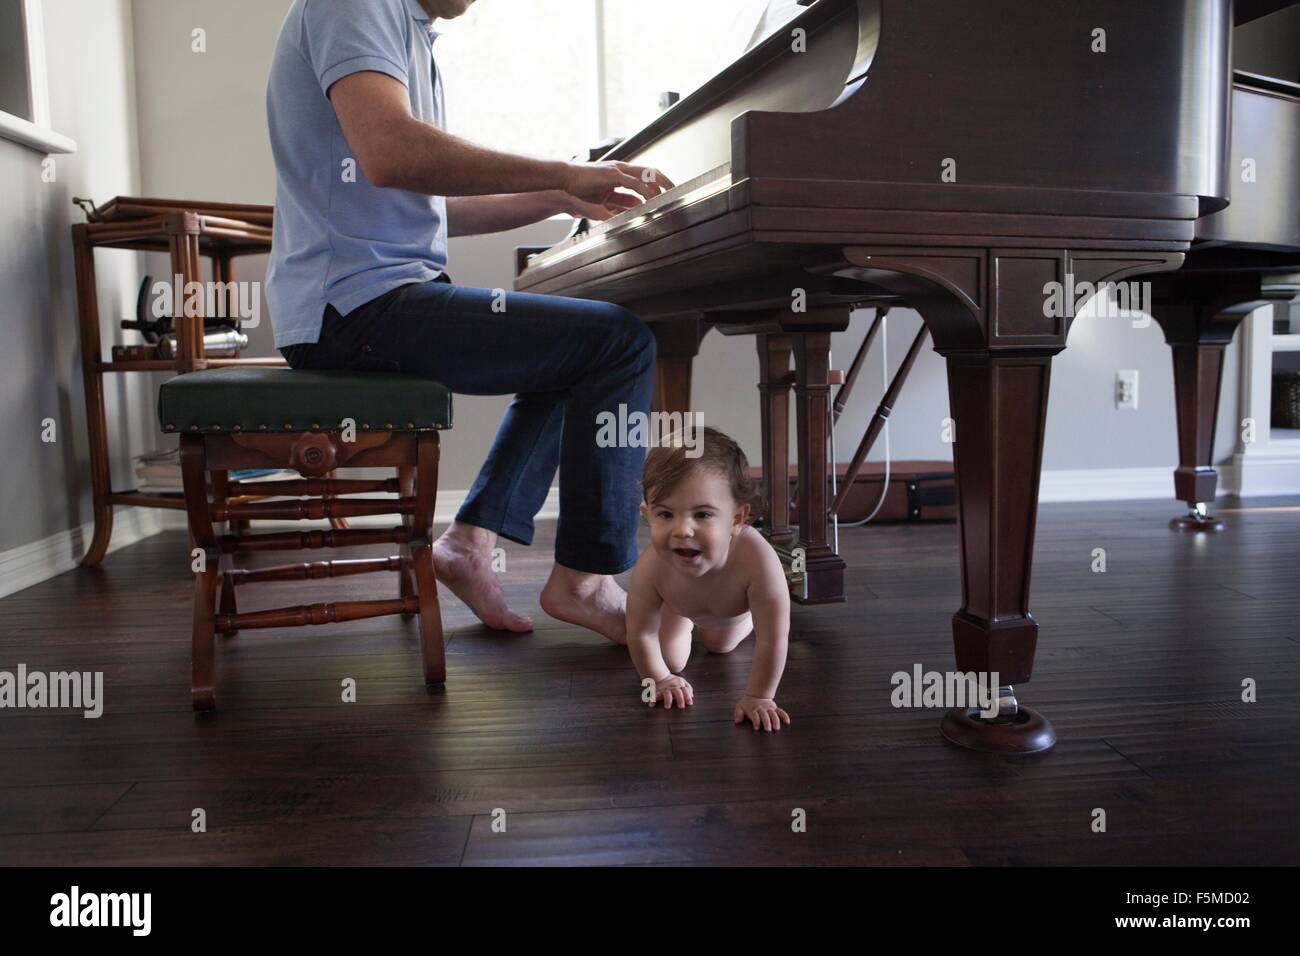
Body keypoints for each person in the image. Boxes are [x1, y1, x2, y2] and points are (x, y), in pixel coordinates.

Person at [264, 0, 675, 643]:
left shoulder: (409, 32)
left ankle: (468, 543)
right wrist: (565, 169)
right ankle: (587, 582)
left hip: (368, 300)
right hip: (351, 307)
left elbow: (431, 207)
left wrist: (563, 196)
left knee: (582, 350)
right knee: (618, 342)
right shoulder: (355, 4)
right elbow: (391, 153)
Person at [625, 427, 793, 731]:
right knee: (670, 660)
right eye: (665, 514)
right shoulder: (651, 567)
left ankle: (743, 622)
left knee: (718, 644)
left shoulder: (758, 561)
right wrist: (659, 679)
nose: (682, 530)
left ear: (737, 519)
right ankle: (684, 622)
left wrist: (759, 696)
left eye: (702, 515)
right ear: (647, 514)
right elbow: (639, 634)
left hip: (730, 611)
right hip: (680, 605)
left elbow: (773, 640)